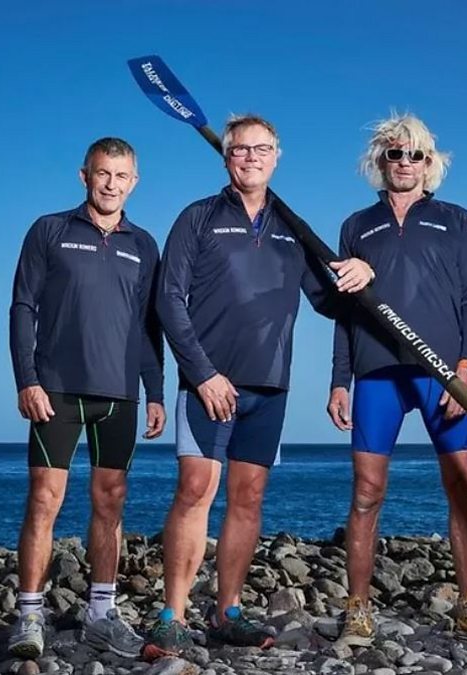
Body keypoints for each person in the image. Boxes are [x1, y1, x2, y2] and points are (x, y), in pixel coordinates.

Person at [143, 114, 375, 660]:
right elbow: (168, 301)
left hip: (270, 385)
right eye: (239, 149)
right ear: (226, 158)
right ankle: (171, 616)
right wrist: (202, 373)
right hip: (209, 384)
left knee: (247, 499)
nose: (250, 157)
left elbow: (331, 301)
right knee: (196, 491)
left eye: (261, 149)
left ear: (276, 156)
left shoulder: (292, 230)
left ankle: (228, 612)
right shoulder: (197, 218)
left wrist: (363, 271)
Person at [326, 112, 467, 645]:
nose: (405, 163)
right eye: (395, 153)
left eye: (416, 155)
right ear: (380, 161)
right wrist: (340, 380)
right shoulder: (357, 226)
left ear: (431, 164)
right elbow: (347, 309)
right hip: (376, 372)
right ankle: (358, 608)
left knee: (462, 485)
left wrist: (466, 369)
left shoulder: (456, 219)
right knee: (366, 492)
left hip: (442, 374)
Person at [7, 137, 166, 659]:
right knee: (45, 501)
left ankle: (101, 614)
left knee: (110, 503)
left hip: (118, 393)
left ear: (134, 182)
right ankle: (29, 615)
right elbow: (23, 306)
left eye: (121, 177)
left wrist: (156, 391)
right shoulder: (50, 230)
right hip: (54, 388)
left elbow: (149, 326)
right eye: (102, 174)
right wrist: (26, 379)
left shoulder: (143, 244)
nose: (111, 184)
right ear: (84, 176)